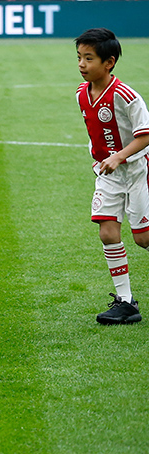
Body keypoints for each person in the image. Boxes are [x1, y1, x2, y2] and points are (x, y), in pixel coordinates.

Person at [74, 28, 149, 325]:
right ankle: (126, 302)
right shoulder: (82, 94)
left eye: (88, 58)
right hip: (108, 173)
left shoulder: (126, 96)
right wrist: (104, 158)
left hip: (137, 170)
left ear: (109, 62)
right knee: (107, 232)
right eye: (79, 57)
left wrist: (120, 155)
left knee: (143, 238)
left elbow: (145, 136)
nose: (81, 64)